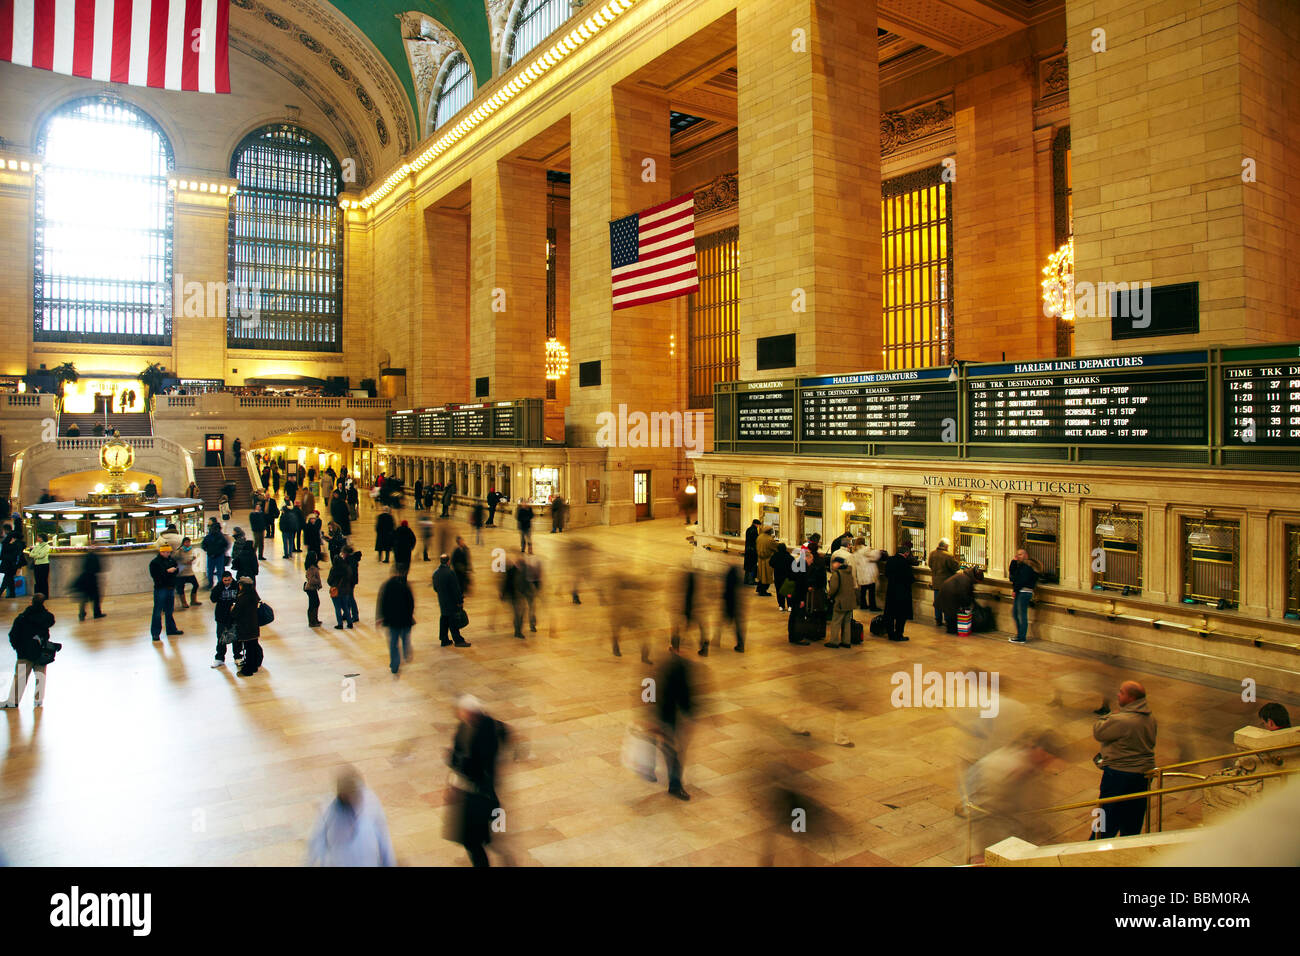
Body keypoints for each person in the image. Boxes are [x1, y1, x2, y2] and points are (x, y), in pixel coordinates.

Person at [1091, 680, 1157, 840]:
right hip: (1141, 777)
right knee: (1132, 822)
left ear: (1131, 698)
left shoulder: (1122, 720)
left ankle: (1092, 850)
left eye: (1121, 692)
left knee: (1105, 821)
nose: (1118, 695)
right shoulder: (1150, 719)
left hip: (1118, 777)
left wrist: (1110, 715)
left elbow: (1098, 731)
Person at [447, 696, 507, 867]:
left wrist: (454, 762)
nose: (461, 715)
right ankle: (495, 836)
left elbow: (476, 768)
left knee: (473, 841)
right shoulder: (468, 727)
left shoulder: (486, 734)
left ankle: (495, 839)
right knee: (484, 835)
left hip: (478, 796)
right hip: (480, 795)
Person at [307, 767, 396, 867]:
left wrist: (389, 863)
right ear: (343, 797)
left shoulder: (370, 801)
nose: (360, 798)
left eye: (359, 792)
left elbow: (383, 838)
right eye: (354, 795)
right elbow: (316, 843)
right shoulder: (329, 813)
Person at [653, 638, 695, 800]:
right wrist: (689, 715)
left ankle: (673, 782)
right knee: (675, 751)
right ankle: (675, 785)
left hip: (665, 716)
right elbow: (684, 695)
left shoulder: (664, 664)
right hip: (669, 717)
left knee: (671, 749)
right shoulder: (679, 666)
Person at [3, 594, 58, 708]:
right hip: (41, 652)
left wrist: (17, 647)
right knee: (40, 676)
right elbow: (51, 621)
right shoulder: (47, 617)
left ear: (31, 602)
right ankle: (38, 701)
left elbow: (13, 635)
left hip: (24, 653)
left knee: (20, 677)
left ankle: (13, 701)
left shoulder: (22, 618)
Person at [377, 572, 416, 675]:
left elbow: (382, 603)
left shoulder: (387, 586)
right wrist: (409, 615)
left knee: (393, 643)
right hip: (405, 620)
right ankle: (406, 654)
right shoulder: (405, 587)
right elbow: (411, 603)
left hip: (392, 621)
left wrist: (380, 618)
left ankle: (395, 664)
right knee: (405, 638)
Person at [433, 554, 470, 647]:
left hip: (442, 600)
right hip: (451, 601)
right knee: (452, 620)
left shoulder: (436, 573)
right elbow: (455, 589)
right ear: (448, 561)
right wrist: (460, 601)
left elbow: (435, 588)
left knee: (444, 618)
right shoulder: (450, 573)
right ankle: (458, 640)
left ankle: (444, 639)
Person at [882, 540, 915, 642]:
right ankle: (899, 634)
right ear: (906, 553)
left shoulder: (890, 560)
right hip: (903, 592)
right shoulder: (905, 563)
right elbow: (911, 578)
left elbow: (886, 574)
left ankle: (890, 633)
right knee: (901, 615)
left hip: (891, 590)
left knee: (890, 614)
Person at [149, 544, 183, 641]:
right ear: (161, 552)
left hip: (170, 587)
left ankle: (171, 629)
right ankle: (155, 633)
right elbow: (156, 576)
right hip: (161, 588)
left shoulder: (171, 560)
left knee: (169, 610)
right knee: (157, 611)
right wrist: (167, 571)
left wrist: (172, 572)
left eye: (168, 552)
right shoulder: (155, 563)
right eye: (165, 552)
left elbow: (176, 570)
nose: (167, 554)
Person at [1008, 549, 1041, 644]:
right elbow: (1012, 576)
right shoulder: (1022, 566)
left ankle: (1021, 637)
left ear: (1026, 555)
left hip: (1023, 592)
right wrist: (1013, 562)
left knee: (1021, 615)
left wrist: (1015, 590)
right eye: (1017, 554)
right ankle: (1020, 635)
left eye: (1020, 554)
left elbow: (1021, 580)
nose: (1018, 556)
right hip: (1021, 591)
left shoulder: (1027, 567)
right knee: (1015, 613)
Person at [938, 566, 984, 635]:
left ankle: (951, 628)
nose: (977, 583)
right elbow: (965, 595)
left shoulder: (966, 576)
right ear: (976, 578)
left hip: (947, 591)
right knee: (952, 612)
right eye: (978, 581)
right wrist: (969, 605)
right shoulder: (967, 580)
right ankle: (951, 629)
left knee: (951, 611)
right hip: (949, 593)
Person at [825, 554, 857, 649]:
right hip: (850, 601)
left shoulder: (837, 574)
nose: (833, 565)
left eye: (834, 563)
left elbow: (833, 588)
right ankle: (846, 641)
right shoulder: (849, 572)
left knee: (836, 621)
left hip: (840, 601)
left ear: (839, 564)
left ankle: (834, 641)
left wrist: (829, 595)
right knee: (847, 622)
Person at [233, 576, 264, 675]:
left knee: (249, 648)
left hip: (245, 628)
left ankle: (248, 669)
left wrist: (232, 609)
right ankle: (254, 666)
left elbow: (236, 613)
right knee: (253, 646)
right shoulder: (253, 595)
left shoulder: (243, 597)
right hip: (254, 626)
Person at [210, 570, 240, 667]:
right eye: (225, 580)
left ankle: (238, 656)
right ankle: (219, 658)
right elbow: (213, 599)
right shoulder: (219, 587)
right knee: (221, 637)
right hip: (221, 617)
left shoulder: (237, 586)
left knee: (236, 637)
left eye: (229, 580)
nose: (227, 582)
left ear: (231, 578)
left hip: (234, 617)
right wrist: (220, 588)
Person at [928, 539, 960, 627]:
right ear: (945, 546)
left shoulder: (932, 553)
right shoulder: (948, 556)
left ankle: (938, 619)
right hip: (946, 583)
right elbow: (955, 568)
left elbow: (930, 565)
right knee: (946, 602)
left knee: (937, 601)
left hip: (936, 582)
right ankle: (947, 619)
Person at [501, 554, 534, 639]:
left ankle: (518, 629)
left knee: (521, 613)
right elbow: (506, 583)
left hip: (521, 595)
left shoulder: (525, 570)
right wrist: (503, 594)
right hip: (513, 596)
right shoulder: (511, 570)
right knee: (517, 613)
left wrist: (529, 592)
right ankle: (518, 631)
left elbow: (528, 582)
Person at [328, 550, 357, 629]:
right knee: (345, 607)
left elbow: (329, 581)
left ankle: (340, 624)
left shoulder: (333, 569)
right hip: (345, 591)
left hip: (336, 591)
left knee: (337, 608)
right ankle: (350, 623)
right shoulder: (347, 568)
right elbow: (350, 577)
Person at [74, 550, 104, 620]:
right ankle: (97, 613)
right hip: (92, 579)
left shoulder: (85, 556)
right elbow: (98, 568)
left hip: (84, 579)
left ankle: (82, 614)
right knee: (95, 598)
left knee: (84, 598)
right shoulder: (94, 556)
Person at [721, 565, 745, 652]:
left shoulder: (729, 584)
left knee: (723, 621)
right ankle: (740, 643)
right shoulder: (737, 581)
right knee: (738, 625)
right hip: (737, 605)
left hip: (730, 605)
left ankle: (715, 640)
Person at [852, 538, 881, 611]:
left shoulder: (856, 552)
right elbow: (875, 557)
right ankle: (872, 606)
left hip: (861, 574)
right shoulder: (867, 549)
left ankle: (863, 605)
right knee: (871, 592)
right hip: (869, 573)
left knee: (863, 591)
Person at [173, 537, 200, 608]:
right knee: (181, 587)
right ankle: (184, 602)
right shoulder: (179, 551)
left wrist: (193, 559)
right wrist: (184, 562)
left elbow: (194, 557)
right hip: (181, 573)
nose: (188, 544)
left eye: (189, 542)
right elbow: (174, 558)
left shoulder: (191, 549)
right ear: (183, 543)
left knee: (196, 585)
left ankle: (193, 600)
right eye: (186, 542)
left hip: (190, 572)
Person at [202, 519, 228, 590]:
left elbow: (203, 545)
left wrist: (208, 550)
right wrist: (221, 551)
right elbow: (225, 545)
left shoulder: (208, 536)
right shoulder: (221, 536)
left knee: (210, 571)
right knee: (220, 571)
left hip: (210, 556)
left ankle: (210, 584)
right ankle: (220, 585)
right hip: (219, 556)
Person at [24, 534, 52, 600]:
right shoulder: (37, 545)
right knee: (37, 580)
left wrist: (35, 555)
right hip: (36, 565)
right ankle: (37, 596)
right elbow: (31, 554)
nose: (37, 538)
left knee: (43, 580)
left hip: (44, 564)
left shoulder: (47, 546)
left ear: (42, 538)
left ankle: (44, 595)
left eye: (39, 537)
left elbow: (42, 555)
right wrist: (37, 554)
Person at [0, 523, 24, 598]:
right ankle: (12, 593)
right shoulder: (17, 542)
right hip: (12, 563)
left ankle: (1, 592)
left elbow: (7, 550)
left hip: (9, 563)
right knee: (9, 578)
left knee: (7, 578)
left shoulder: (10, 540)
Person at [771, 540, 793, 612]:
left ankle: (781, 605)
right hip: (788, 577)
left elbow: (771, 563)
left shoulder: (775, 556)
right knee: (789, 592)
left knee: (779, 591)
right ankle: (790, 605)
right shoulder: (789, 557)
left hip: (778, 576)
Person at [755, 526, 776, 596]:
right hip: (768, 560)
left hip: (760, 559)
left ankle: (759, 589)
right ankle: (763, 591)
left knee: (761, 576)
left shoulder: (759, 537)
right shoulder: (770, 539)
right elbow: (775, 547)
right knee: (767, 576)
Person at [304, 552, 323, 628]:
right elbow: (311, 580)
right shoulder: (311, 568)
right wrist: (318, 581)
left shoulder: (312, 567)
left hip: (313, 588)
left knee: (315, 603)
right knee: (313, 604)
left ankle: (315, 619)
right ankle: (312, 622)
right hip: (310, 589)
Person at [743, 519, 760, 585]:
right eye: (758, 525)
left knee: (747, 567)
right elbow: (756, 540)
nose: (758, 526)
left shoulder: (748, 529)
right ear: (756, 524)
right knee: (752, 566)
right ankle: (751, 580)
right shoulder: (754, 530)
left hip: (747, 550)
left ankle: (746, 580)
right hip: (752, 551)